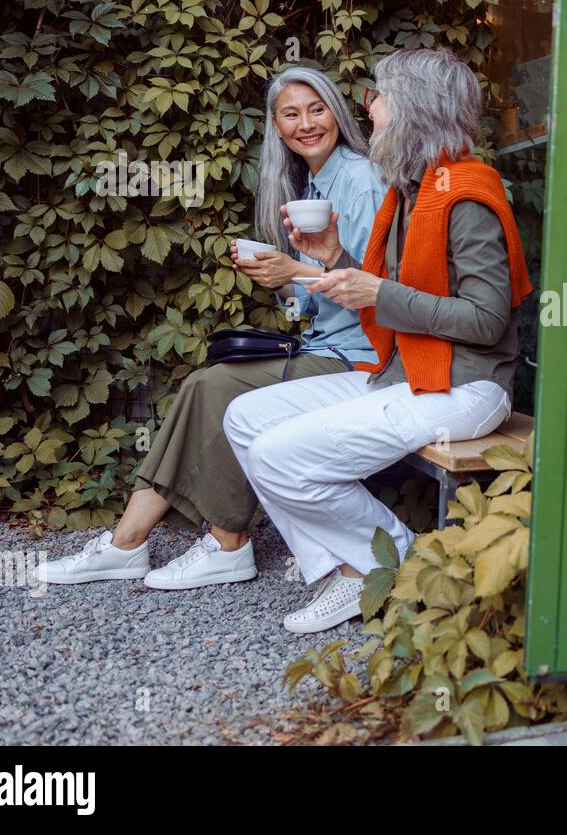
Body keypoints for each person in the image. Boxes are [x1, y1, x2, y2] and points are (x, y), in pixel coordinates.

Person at [223, 48, 532, 634]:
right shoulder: (408, 192)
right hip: (405, 372)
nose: (370, 106)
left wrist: (378, 292)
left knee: (276, 455)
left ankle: (394, 561)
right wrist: (333, 261)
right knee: (244, 418)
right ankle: (349, 567)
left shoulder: (466, 196)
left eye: (381, 96)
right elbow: (382, 291)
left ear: (413, 108)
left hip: (465, 387)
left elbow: (487, 320)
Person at [39, 67, 386, 588]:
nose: (307, 123)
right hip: (328, 343)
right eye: (291, 114)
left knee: (215, 386)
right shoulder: (310, 183)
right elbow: (316, 302)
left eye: (317, 109)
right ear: (276, 125)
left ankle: (212, 545)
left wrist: (295, 271)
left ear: (338, 112)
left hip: (364, 356)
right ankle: (131, 542)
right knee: (212, 380)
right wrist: (279, 282)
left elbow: (376, 287)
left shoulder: (359, 178)